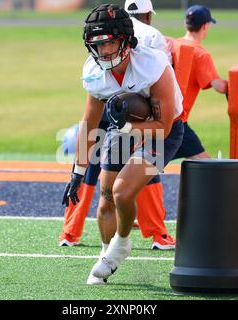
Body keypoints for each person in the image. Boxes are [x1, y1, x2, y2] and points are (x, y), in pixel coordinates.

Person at [61, 4, 184, 285]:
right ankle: (106, 255)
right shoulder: (94, 72)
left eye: (110, 43)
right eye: (97, 45)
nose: (103, 52)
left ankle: (122, 244)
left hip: (161, 131)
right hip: (122, 129)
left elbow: (163, 127)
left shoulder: (152, 64)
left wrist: (128, 126)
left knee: (122, 191)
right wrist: (77, 172)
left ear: (126, 41)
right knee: (105, 197)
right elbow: (89, 123)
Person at [168, 5, 228, 161]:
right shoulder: (201, 54)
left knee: (149, 163)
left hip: (160, 114)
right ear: (205, 26)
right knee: (205, 163)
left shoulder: (173, 44)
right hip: (177, 120)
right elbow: (219, 86)